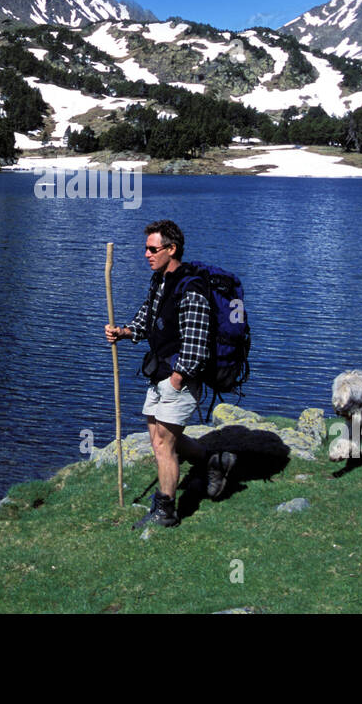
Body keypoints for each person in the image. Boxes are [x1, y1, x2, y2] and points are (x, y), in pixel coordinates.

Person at [104, 219, 236, 528]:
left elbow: (197, 344)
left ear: (171, 248)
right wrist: (122, 332)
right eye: (145, 249)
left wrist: (178, 379)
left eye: (152, 249)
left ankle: (166, 510)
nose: (146, 254)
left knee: (163, 443)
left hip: (179, 379)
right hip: (160, 374)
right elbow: (146, 321)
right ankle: (214, 461)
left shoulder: (191, 289)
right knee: (159, 438)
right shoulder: (160, 281)